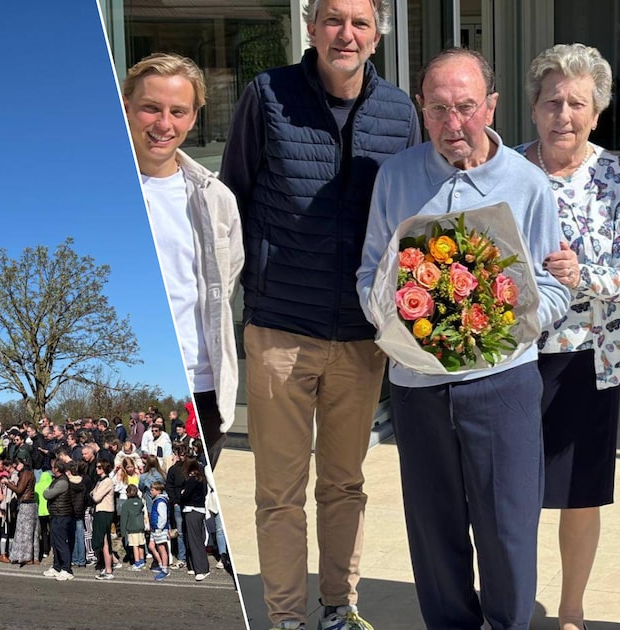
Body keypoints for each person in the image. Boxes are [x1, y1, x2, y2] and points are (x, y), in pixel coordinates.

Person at [356, 48, 571, 628]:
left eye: (467, 108)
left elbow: (553, 286)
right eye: (439, 110)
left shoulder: (528, 184)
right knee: (434, 532)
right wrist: (391, 320)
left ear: (492, 106)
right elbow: (370, 270)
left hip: (502, 384)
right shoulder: (396, 177)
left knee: (507, 530)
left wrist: (504, 327)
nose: (454, 124)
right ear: (422, 111)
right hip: (417, 387)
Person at [219, 0, 419, 626]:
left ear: (378, 33)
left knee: (344, 484)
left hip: (361, 336)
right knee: (278, 493)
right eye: (334, 19)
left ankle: (339, 606)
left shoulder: (399, 111)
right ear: (310, 24)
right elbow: (235, 196)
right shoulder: (268, 94)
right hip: (281, 326)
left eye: (360, 22)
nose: (346, 34)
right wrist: (257, 285)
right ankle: (284, 616)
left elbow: (412, 214)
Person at [514, 43, 620, 630]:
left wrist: (585, 276)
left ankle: (570, 611)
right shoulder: (508, 169)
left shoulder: (619, 177)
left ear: (596, 112)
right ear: (533, 108)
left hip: (588, 358)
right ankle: (511, 605)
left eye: (577, 103)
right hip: (510, 355)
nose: (563, 115)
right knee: (509, 494)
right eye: (552, 102)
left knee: (578, 494)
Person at [122, 52, 243, 468]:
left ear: (193, 118)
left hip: (203, 389)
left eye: (178, 111)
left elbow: (223, 285)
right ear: (126, 107)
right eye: (150, 108)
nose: (163, 124)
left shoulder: (216, 198)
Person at [0, 457, 38, 566]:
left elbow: (19, 490)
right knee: (31, 532)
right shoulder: (30, 472)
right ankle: (32, 557)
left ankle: (25, 557)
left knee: (24, 532)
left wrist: (7, 483)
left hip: (26, 504)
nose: (16, 467)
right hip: (30, 503)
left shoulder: (25, 473)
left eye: (16, 465)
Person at [42, 461, 75, 581]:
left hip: (62, 515)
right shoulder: (57, 480)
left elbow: (47, 494)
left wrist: (47, 491)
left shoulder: (62, 482)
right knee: (55, 543)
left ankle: (67, 569)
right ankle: (57, 566)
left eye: (53, 468)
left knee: (61, 543)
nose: (52, 469)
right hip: (56, 514)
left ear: (57, 469)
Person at [89, 460, 117, 580]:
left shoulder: (107, 481)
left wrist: (94, 493)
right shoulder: (100, 481)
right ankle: (110, 564)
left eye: (99, 467)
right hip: (100, 511)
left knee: (105, 541)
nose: (97, 469)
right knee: (103, 540)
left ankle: (109, 569)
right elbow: (92, 492)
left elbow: (95, 496)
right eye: (97, 467)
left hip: (105, 512)